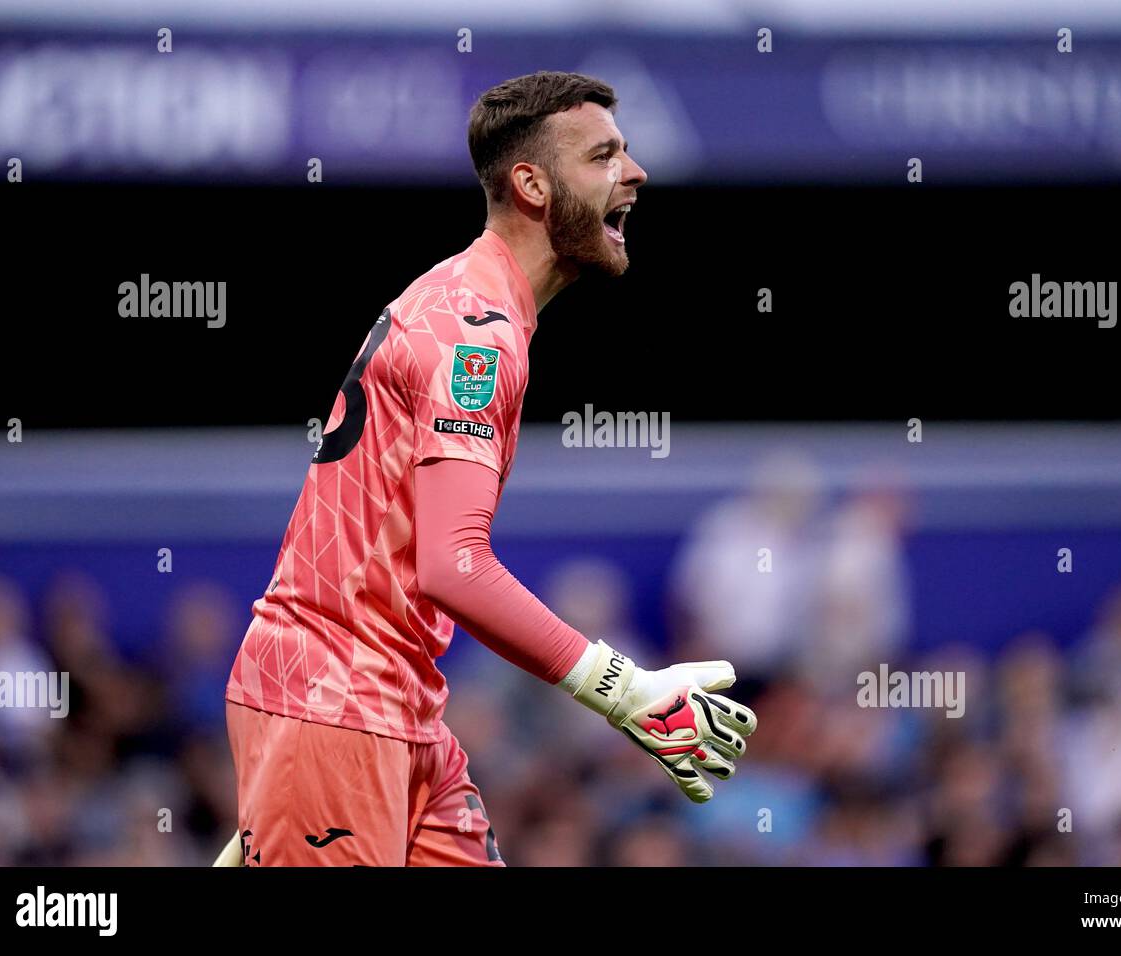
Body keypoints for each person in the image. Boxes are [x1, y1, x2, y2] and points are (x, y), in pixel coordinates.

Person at [220, 71, 756, 867]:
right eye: (605, 155)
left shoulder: (471, 303)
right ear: (532, 184)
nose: (635, 173)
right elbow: (454, 565)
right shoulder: (476, 332)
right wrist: (624, 691)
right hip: (336, 700)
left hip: (387, 711)